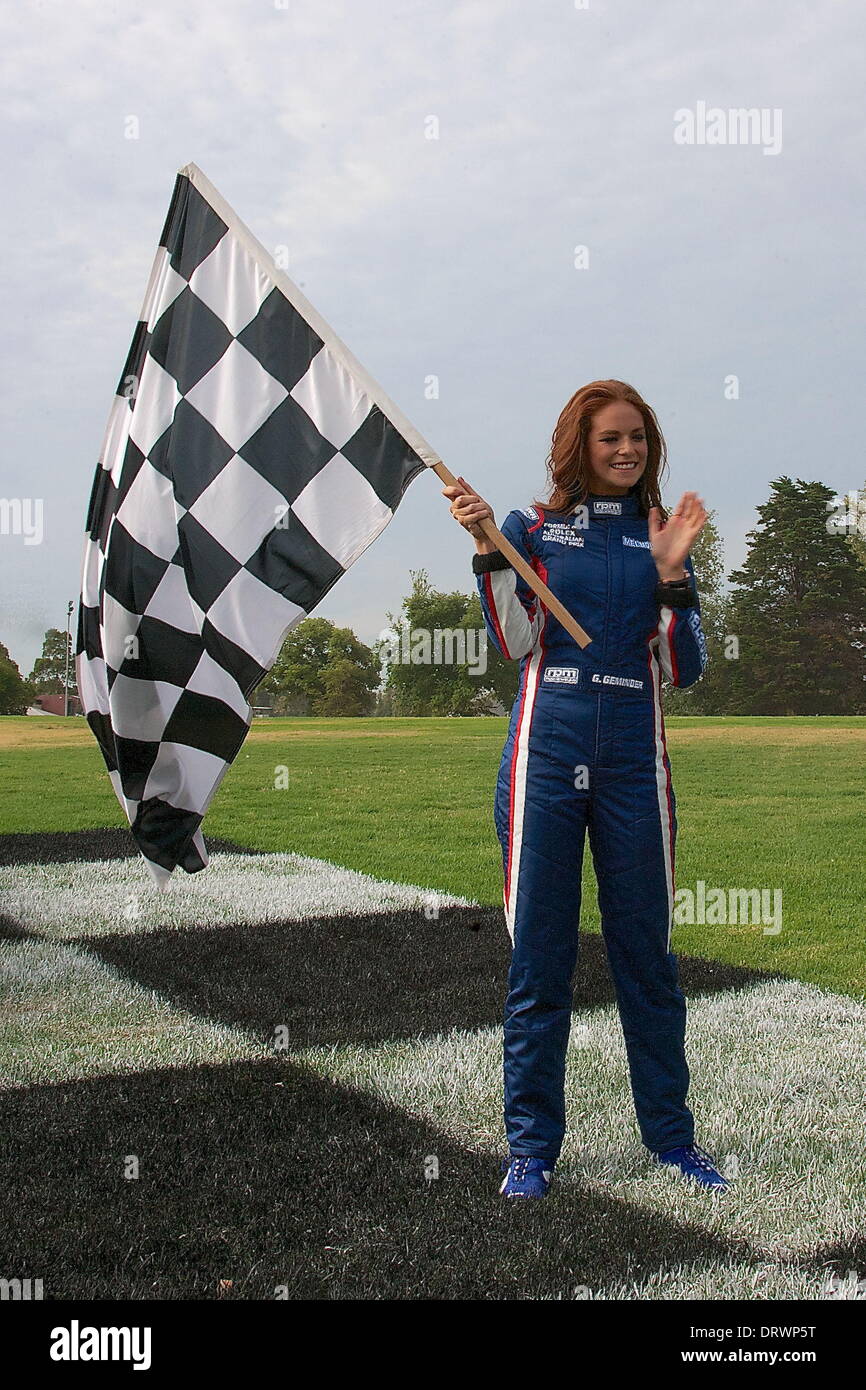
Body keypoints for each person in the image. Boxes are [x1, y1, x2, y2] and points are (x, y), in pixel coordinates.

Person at [442, 379, 730, 1197]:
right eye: (610, 438)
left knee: (648, 959)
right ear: (580, 444)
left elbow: (683, 668)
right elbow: (514, 638)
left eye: (637, 437)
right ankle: (531, 1149)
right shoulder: (534, 529)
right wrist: (489, 550)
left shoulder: (659, 533)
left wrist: (674, 575)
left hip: (637, 764)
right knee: (541, 958)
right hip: (547, 757)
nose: (627, 450)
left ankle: (672, 1140)